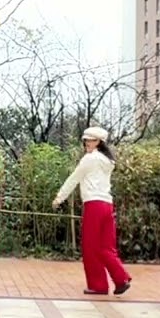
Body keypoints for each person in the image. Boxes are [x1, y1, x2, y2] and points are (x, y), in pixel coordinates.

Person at [52, 127, 133, 296]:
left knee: (90, 247)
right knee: (106, 247)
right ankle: (121, 279)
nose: (87, 143)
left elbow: (74, 178)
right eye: (86, 140)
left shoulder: (89, 159)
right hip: (107, 205)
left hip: (94, 205)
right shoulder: (107, 161)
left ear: (99, 142)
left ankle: (98, 285)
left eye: (91, 140)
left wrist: (59, 198)